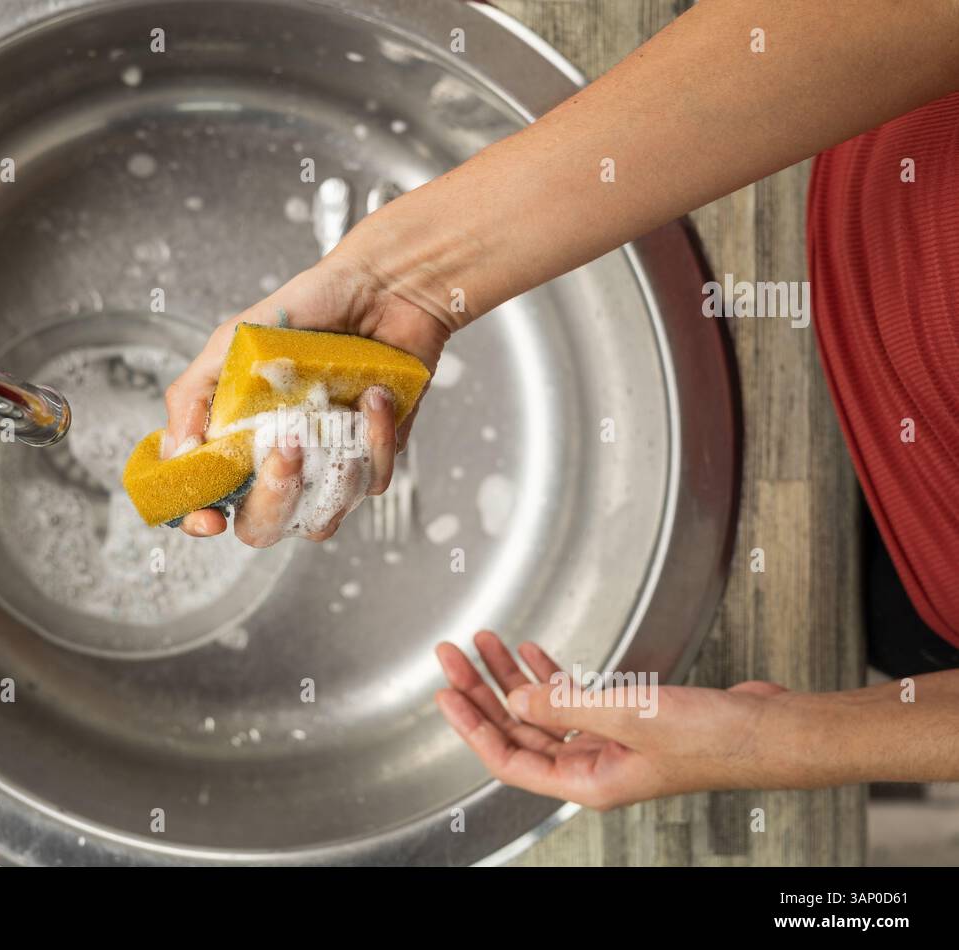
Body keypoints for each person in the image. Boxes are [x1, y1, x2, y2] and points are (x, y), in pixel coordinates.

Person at [159, 0, 959, 808]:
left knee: (885, 627)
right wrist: (402, 279)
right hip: (876, 188)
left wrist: (785, 741)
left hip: (932, 586)